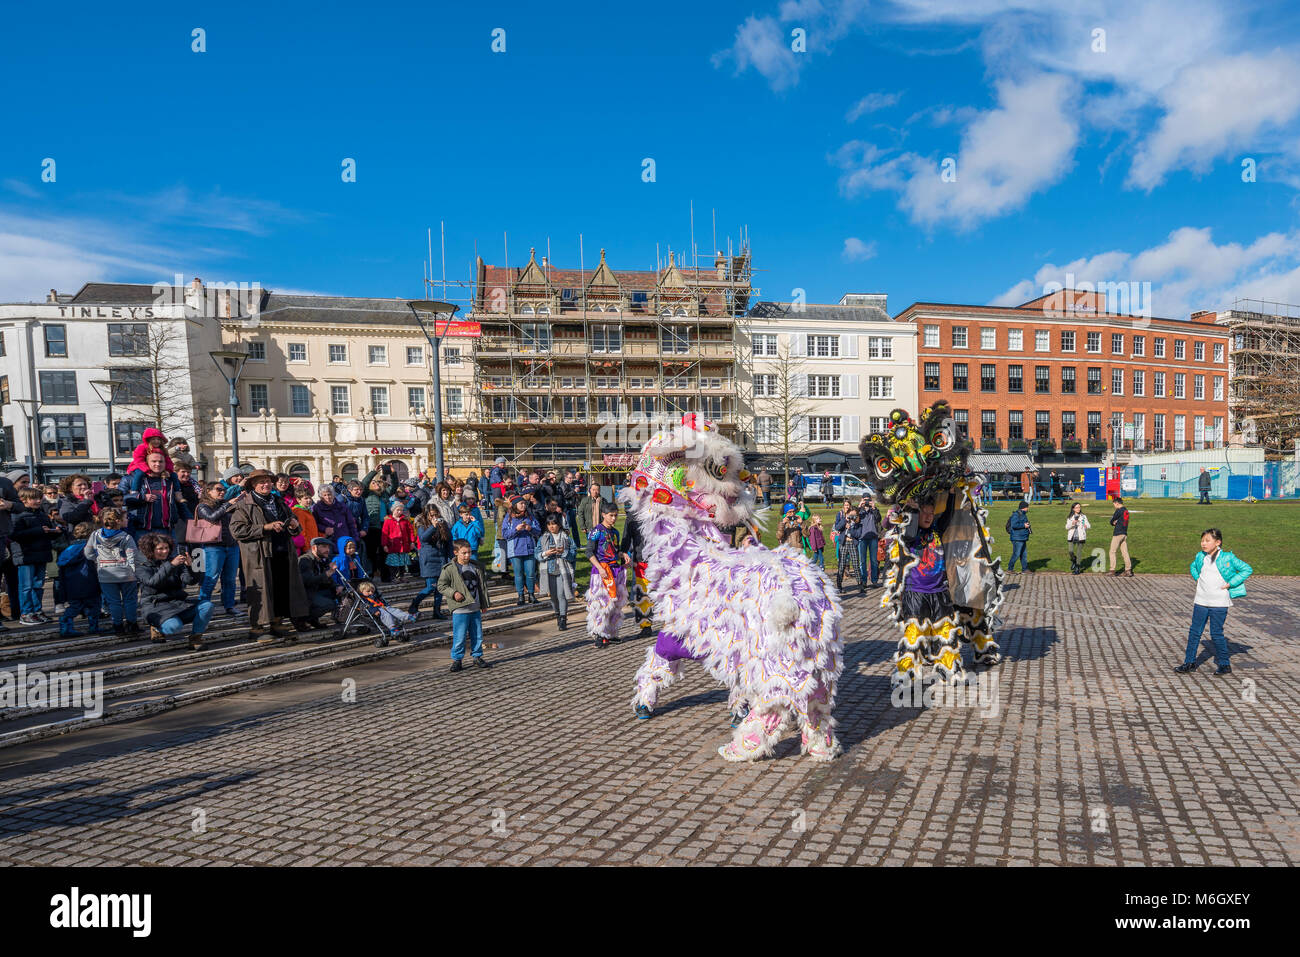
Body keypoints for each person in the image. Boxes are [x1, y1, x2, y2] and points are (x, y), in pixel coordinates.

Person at [230, 469, 310, 641]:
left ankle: (276, 621)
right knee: (260, 591)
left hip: (282, 552)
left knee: (280, 587)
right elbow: (237, 530)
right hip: (258, 554)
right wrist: (265, 528)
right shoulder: (245, 504)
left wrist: (294, 526)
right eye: (261, 482)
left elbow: (294, 526)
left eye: (267, 481)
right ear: (253, 485)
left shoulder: (278, 501)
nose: (266, 484)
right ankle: (257, 627)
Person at [1175, 528, 1252, 676]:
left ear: (1218, 542)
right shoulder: (1200, 556)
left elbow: (1246, 569)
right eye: (1202, 540)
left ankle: (1224, 664)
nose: (1203, 543)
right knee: (1194, 633)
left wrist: (1231, 583)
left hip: (1219, 603)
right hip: (1201, 601)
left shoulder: (1227, 558)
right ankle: (1189, 663)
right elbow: (1193, 566)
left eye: (1207, 540)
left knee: (1216, 634)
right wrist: (1197, 577)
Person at [135, 533, 213, 651]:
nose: (165, 551)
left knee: (207, 605)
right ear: (151, 549)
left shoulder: (174, 562)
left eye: (166, 548)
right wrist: (171, 565)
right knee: (174, 627)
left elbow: (190, 581)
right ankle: (157, 628)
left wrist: (190, 566)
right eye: (160, 549)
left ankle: (195, 638)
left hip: (177, 603)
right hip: (154, 605)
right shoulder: (142, 565)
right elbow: (152, 582)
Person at [437, 539, 492, 672]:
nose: (467, 555)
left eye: (469, 553)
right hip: (460, 608)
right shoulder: (450, 569)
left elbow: (481, 587)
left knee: (477, 634)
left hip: (475, 607)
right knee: (459, 636)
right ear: (456, 553)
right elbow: (441, 585)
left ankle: (477, 656)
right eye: (464, 553)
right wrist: (453, 592)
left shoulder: (476, 566)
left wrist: (484, 603)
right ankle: (457, 659)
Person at [84, 508, 140, 634]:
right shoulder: (126, 537)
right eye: (125, 518)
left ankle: (118, 625)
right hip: (126, 573)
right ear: (118, 521)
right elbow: (132, 557)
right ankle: (132, 625)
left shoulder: (95, 535)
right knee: (130, 600)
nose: (127, 520)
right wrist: (134, 572)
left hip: (105, 573)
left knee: (113, 601)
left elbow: (88, 553)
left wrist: (98, 560)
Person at [195, 481, 245, 616]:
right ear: (209, 491)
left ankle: (229, 606)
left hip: (232, 545)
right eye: (218, 489)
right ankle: (202, 608)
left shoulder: (225, 504)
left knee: (230, 579)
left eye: (223, 489)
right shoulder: (203, 506)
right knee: (211, 578)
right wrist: (228, 504)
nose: (222, 492)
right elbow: (212, 518)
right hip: (214, 547)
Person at [12, 488, 61, 624]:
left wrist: (55, 531)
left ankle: (37, 611)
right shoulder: (18, 515)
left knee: (38, 585)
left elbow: (47, 530)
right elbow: (15, 535)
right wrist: (39, 530)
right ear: (24, 500)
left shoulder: (42, 514)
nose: (38, 501)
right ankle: (26, 612)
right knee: (26, 586)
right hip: (25, 555)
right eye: (34, 498)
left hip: (41, 553)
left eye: (39, 498)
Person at [585, 508, 629, 648]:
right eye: (611, 515)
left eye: (616, 515)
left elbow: (615, 550)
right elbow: (589, 552)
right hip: (601, 572)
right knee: (600, 603)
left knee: (614, 604)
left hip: (615, 570)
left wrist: (623, 554)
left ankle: (610, 632)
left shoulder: (615, 532)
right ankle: (599, 634)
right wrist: (599, 568)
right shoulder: (596, 531)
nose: (614, 518)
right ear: (603, 514)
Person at [123, 450, 185, 542]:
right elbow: (121, 500)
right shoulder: (131, 479)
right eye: (154, 461)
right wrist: (142, 497)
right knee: (143, 557)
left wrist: (190, 519)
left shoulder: (170, 480)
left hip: (167, 530)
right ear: (146, 463)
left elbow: (180, 504)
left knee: (171, 556)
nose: (158, 464)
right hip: (142, 530)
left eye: (161, 461)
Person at [56, 522, 101, 637]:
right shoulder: (89, 548)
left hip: (71, 584)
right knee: (94, 605)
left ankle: (66, 626)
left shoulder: (68, 549)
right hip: (88, 581)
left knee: (75, 606)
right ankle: (93, 626)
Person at [535, 513, 577, 630]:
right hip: (549, 570)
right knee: (553, 597)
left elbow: (573, 554)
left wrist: (564, 552)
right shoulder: (543, 538)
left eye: (554, 524)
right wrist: (545, 553)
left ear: (559, 524)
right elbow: (537, 554)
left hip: (563, 570)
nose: (551, 527)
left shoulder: (566, 538)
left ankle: (563, 618)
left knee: (561, 595)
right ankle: (557, 615)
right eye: (549, 524)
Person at [408, 505, 451, 620]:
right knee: (431, 587)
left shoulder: (443, 523)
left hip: (441, 559)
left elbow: (448, 542)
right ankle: (415, 603)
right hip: (429, 560)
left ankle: (437, 611)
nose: (434, 517)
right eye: (431, 515)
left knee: (440, 588)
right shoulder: (422, 525)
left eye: (436, 514)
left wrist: (451, 558)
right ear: (426, 515)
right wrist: (433, 526)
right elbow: (423, 538)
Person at [503, 498, 541, 604]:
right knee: (518, 574)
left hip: (529, 549)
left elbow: (538, 530)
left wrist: (530, 529)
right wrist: (516, 529)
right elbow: (505, 534)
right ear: (515, 505)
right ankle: (520, 595)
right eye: (521, 503)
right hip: (515, 550)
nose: (524, 505)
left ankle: (531, 595)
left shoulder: (529, 516)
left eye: (524, 503)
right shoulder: (509, 518)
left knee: (530, 573)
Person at [360, 468, 393, 581]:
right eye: (373, 483)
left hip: (384, 527)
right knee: (371, 553)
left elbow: (394, 486)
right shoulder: (367, 494)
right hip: (372, 527)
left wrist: (392, 473)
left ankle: (386, 576)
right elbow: (363, 484)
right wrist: (373, 472)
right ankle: (372, 574)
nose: (375, 483)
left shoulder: (384, 494)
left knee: (385, 552)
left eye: (377, 482)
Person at [311, 483, 358, 549]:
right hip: (327, 541)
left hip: (344, 540)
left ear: (333, 495)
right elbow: (314, 524)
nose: (327, 497)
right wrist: (324, 529)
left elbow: (351, 524)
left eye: (329, 494)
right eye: (324, 495)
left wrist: (355, 539)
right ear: (321, 497)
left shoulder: (342, 506)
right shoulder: (316, 508)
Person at [380, 503, 417, 580]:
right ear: (393, 510)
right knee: (393, 563)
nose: (400, 512)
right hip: (393, 546)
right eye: (398, 510)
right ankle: (394, 577)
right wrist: (385, 545)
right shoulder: (388, 521)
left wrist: (412, 542)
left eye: (401, 510)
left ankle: (401, 576)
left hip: (404, 546)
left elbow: (411, 532)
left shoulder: (405, 521)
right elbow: (385, 534)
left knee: (402, 562)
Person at [1108, 496, 1134, 577]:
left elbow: (1112, 520)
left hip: (1118, 533)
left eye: (1114, 504)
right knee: (1124, 552)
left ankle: (1112, 570)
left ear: (1116, 503)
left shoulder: (1118, 510)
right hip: (1124, 533)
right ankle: (1128, 570)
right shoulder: (1126, 510)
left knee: (1112, 551)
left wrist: (1113, 523)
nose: (1114, 506)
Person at [859, 497, 882, 587]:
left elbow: (878, 519)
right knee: (862, 561)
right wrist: (859, 506)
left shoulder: (874, 510)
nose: (867, 502)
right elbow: (855, 517)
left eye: (868, 500)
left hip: (873, 537)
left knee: (874, 561)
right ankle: (863, 580)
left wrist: (874, 508)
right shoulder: (860, 510)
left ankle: (874, 580)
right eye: (865, 500)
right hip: (862, 537)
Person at [1006, 500, 1032, 572]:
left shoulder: (1023, 514)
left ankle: (1025, 569)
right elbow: (1014, 525)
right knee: (1016, 554)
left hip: (1022, 537)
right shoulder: (1016, 515)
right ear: (1024, 508)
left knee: (1024, 554)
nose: (1028, 509)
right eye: (1027, 507)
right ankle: (1010, 569)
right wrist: (1024, 525)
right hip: (1017, 538)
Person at [1065, 502, 1091, 574]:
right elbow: (1066, 527)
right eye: (1076, 507)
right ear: (1073, 509)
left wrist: (1086, 526)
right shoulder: (1070, 517)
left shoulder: (1083, 516)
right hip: (1072, 536)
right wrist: (1072, 523)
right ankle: (1074, 560)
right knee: (1070, 551)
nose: (1078, 509)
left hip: (1081, 536)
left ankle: (1077, 567)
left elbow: (1089, 525)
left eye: (1079, 507)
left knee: (1079, 552)